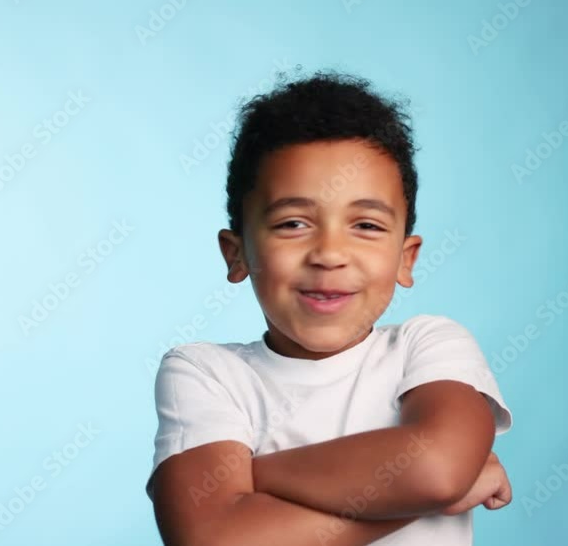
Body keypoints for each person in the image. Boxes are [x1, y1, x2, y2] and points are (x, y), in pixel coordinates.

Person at [147, 69, 514, 546]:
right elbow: (215, 540)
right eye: (293, 223)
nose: (329, 253)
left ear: (406, 258)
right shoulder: (205, 372)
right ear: (236, 254)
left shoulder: (428, 345)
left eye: (365, 225)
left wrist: (249, 481)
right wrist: (419, 497)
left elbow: (437, 467)